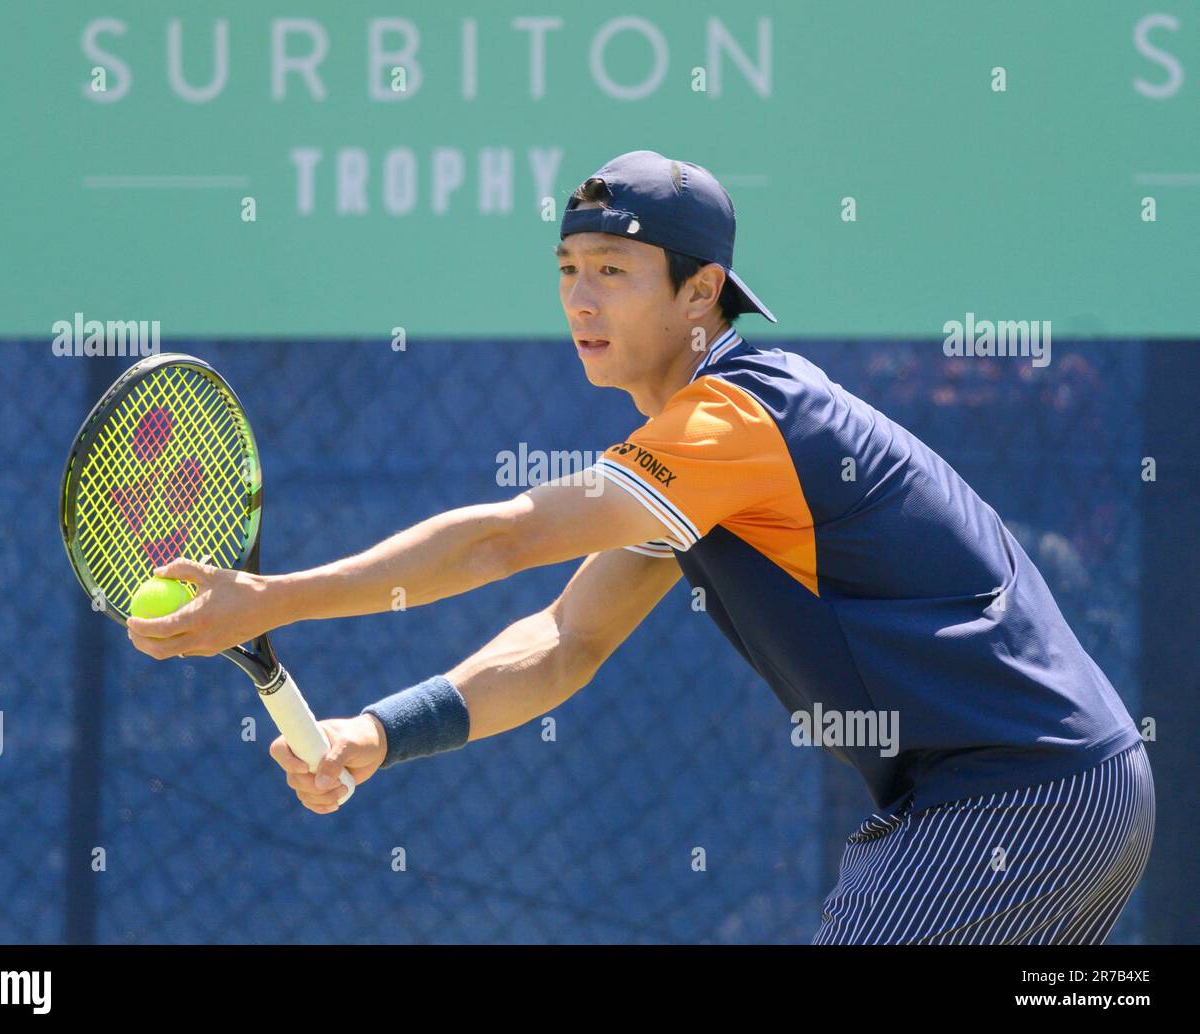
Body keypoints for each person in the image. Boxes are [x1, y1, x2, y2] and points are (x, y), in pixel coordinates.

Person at [127, 150, 1154, 945]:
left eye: (614, 271)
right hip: (1067, 788)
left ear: (700, 292)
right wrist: (380, 733)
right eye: (569, 268)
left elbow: (505, 538)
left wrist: (268, 597)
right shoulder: (697, 459)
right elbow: (566, 639)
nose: (580, 297)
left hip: (1013, 791)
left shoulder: (740, 419)